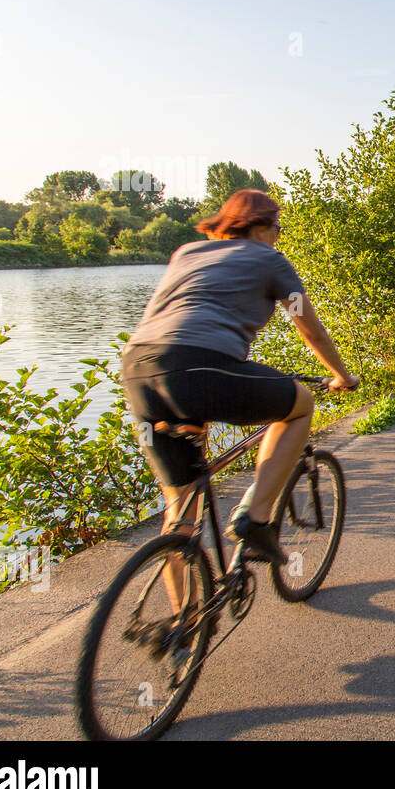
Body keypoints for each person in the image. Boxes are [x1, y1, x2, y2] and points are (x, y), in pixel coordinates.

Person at [121, 189, 358, 568]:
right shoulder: (270, 260)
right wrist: (342, 375)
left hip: (139, 370)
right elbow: (310, 330)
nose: (279, 236)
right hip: (199, 365)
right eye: (277, 228)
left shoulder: (186, 253)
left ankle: (185, 622)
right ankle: (255, 518)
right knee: (300, 405)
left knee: (180, 513)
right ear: (260, 226)